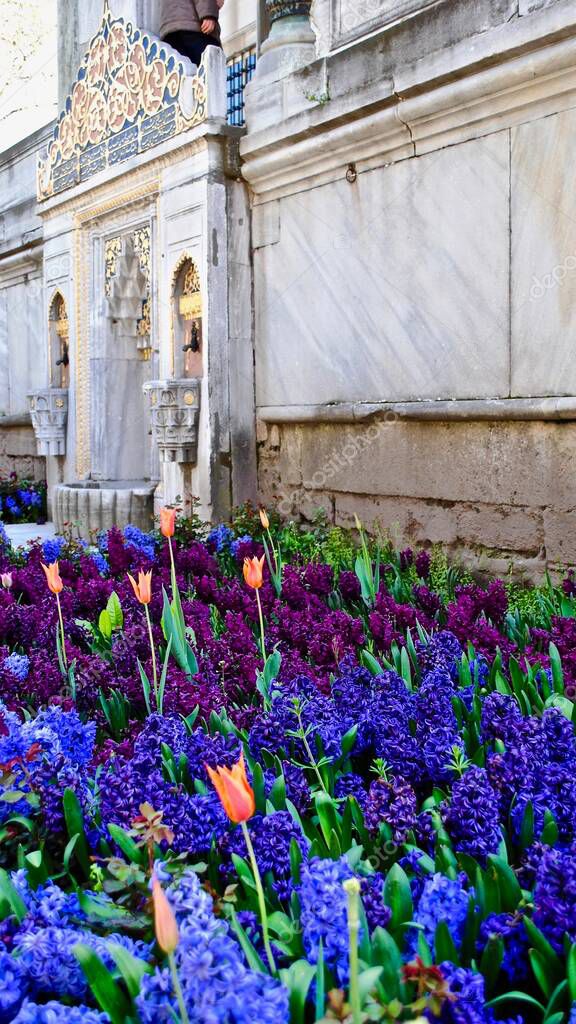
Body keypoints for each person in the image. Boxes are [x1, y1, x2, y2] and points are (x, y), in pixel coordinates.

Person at [160, 0, 223, 68]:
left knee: (182, 72)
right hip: (195, 27)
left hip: (170, 30)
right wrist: (208, 14)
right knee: (211, 69)